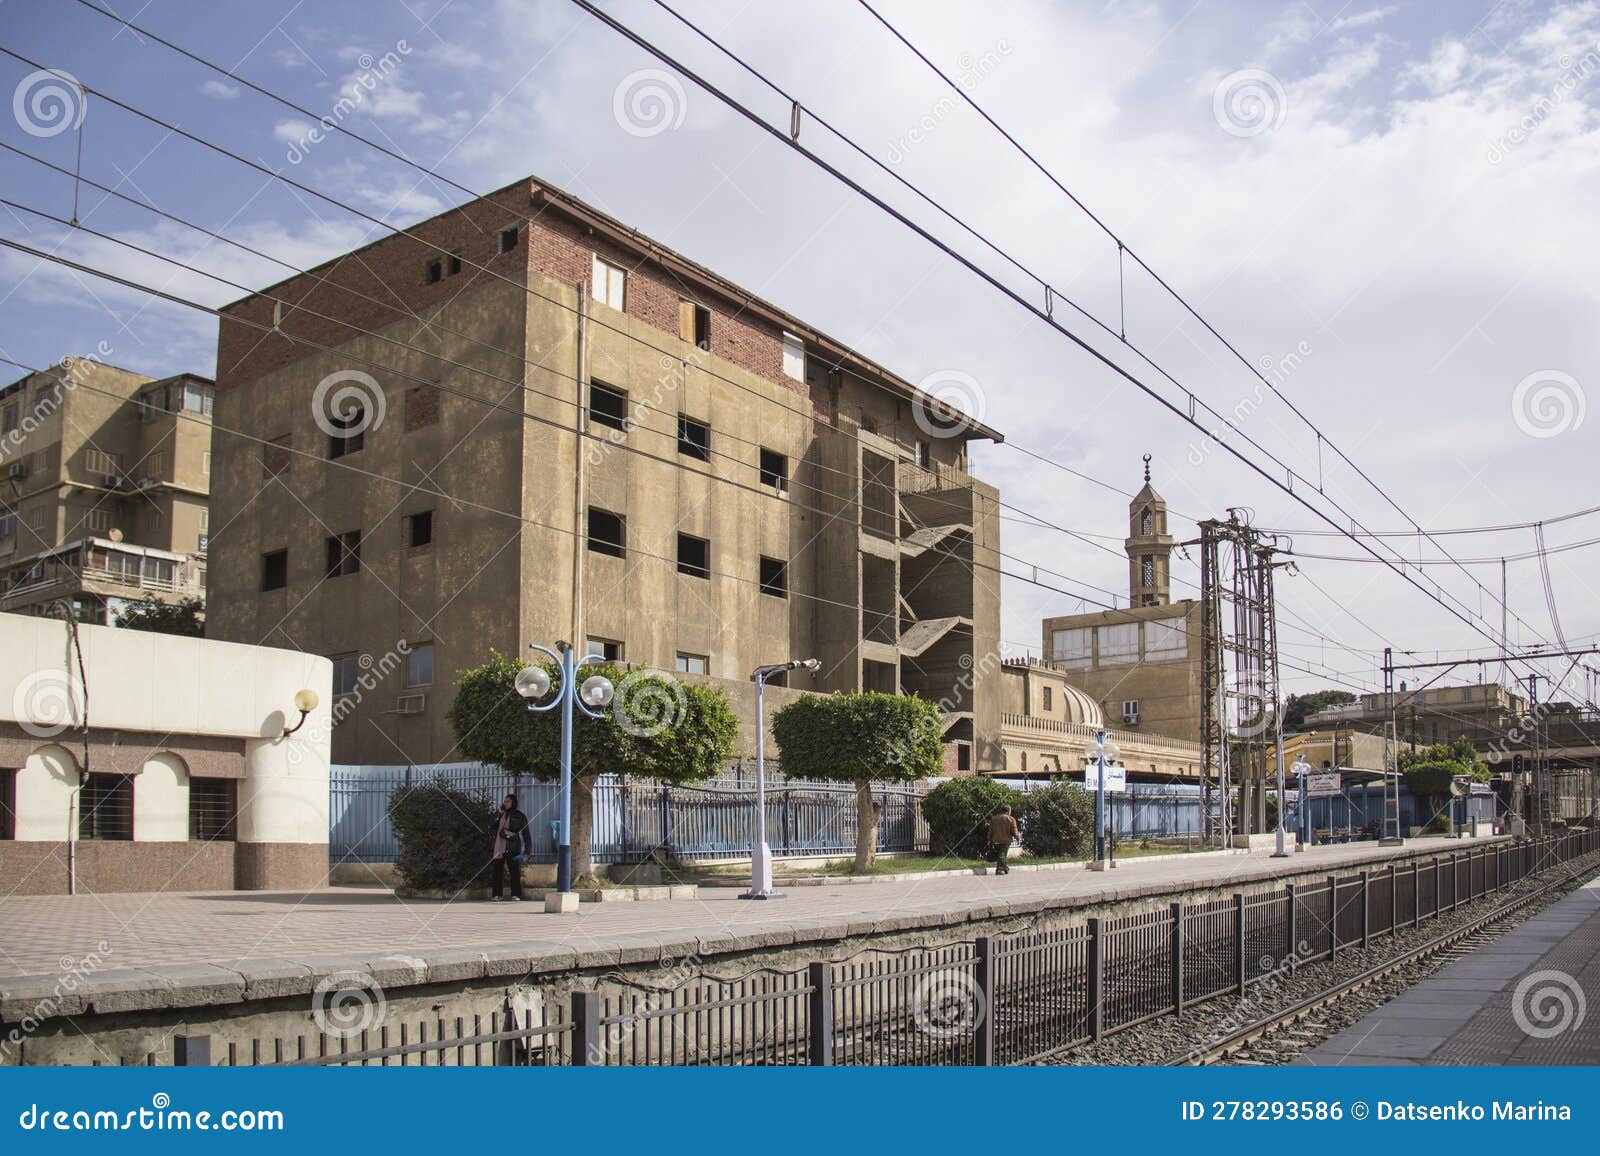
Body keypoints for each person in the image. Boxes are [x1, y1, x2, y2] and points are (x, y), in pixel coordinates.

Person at [490, 793, 530, 901]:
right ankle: (497, 894)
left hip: (513, 847)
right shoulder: (500, 814)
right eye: (504, 801)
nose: (505, 803)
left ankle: (516, 894)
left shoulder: (519, 816)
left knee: (514, 871)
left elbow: (526, 833)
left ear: (513, 803)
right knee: (497, 871)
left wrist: (527, 850)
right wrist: (498, 814)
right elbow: (491, 826)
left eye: (508, 801)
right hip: (499, 847)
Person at [987, 805, 1019, 875]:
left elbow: (990, 831)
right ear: (1008, 811)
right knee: (1002, 854)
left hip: (995, 840)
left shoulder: (994, 819)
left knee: (1000, 855)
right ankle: (1000, 869)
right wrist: (1017, 838)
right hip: (1006, 840)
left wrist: (989, 839)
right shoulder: (1011, 819)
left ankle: (1004, 868)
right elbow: (1014, 830)